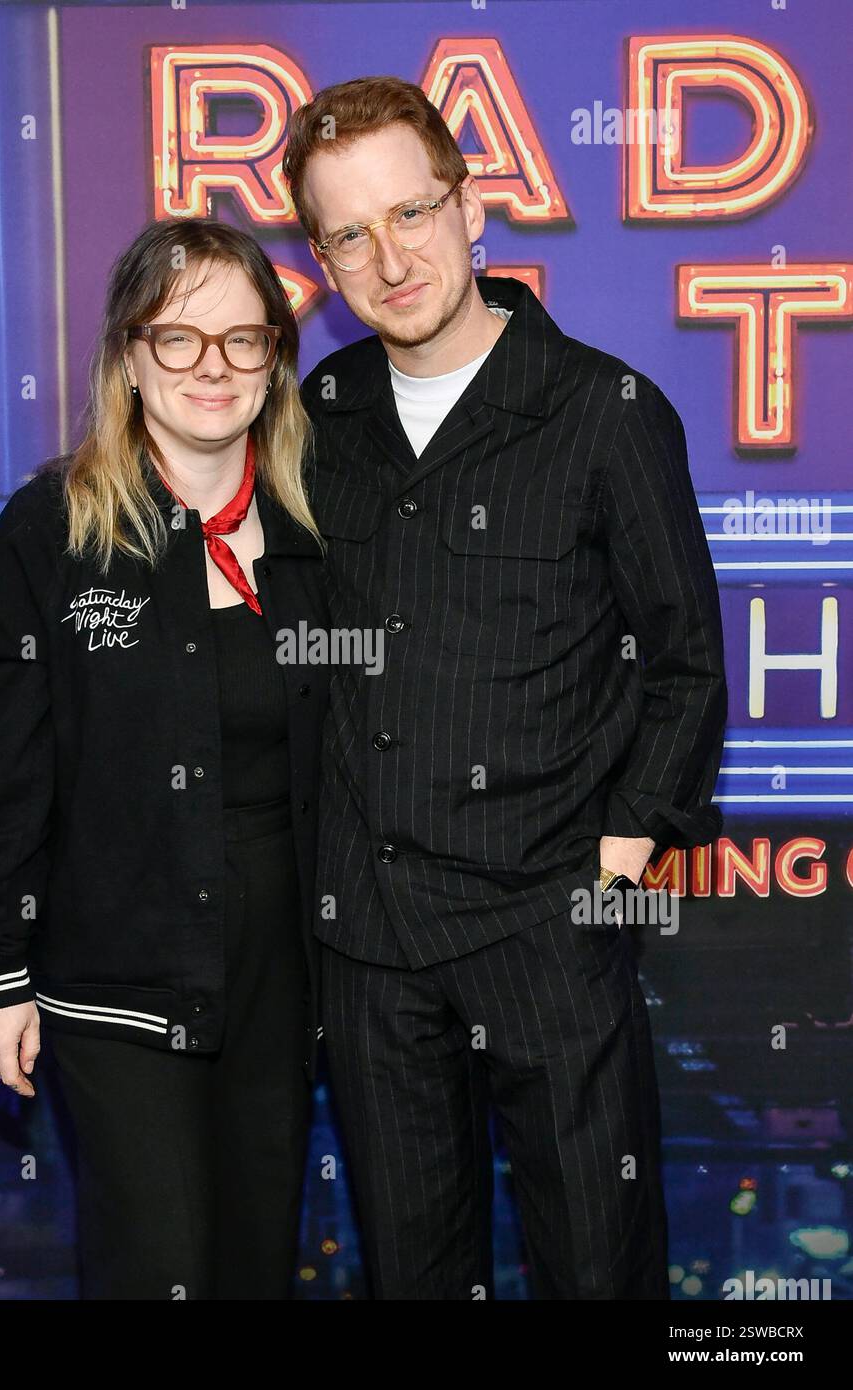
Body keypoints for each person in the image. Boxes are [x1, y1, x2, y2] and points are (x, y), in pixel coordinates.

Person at [283, 76, 728, 1299]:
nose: (389, 255)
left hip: (548, 930)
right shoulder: (315, 417)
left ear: (470, 207)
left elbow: (685, 660)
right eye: (347, 234)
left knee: (596, 1266)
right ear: (318, 260)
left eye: (411, 211)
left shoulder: (603, 411)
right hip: (368, 950)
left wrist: (621, 860)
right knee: (411, 1276)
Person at [0, 218, 330, 1299]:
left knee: (255, 1266)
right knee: (156, 1268)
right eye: (177, 338)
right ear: (126, 356)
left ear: (275, 362)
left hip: (282, 980)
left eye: (243, 339)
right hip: (113, 972)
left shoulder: (320, 531)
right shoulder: (50, 529)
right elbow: (5, 769)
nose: (212, 366)